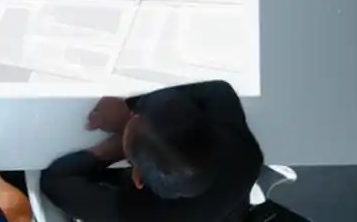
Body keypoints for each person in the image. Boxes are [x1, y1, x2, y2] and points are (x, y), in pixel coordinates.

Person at [40, 81, 263, 222]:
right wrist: (130, 107)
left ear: (138, 178)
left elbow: (54, 181)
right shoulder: (244, 152)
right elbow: (217, 88)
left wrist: (113, 149)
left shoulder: (136, 212)